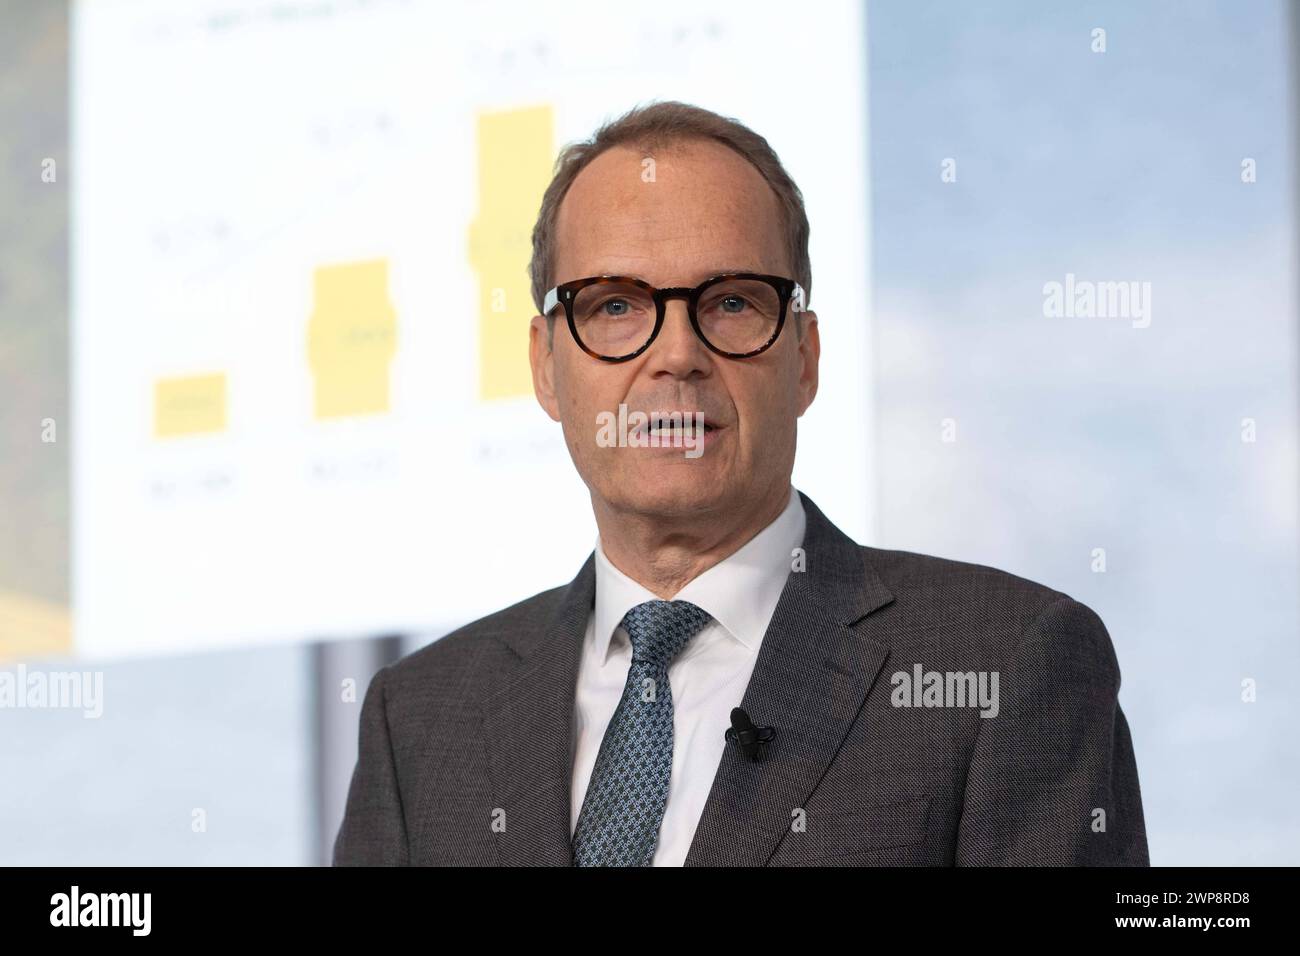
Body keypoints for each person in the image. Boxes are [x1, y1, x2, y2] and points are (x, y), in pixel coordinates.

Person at [333, 100, 1148, 866]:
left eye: (729, 302)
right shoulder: (418, 721)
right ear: (547, 366)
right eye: (615, 305)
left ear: (804, 358)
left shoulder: (1005, 665)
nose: (676, 353)